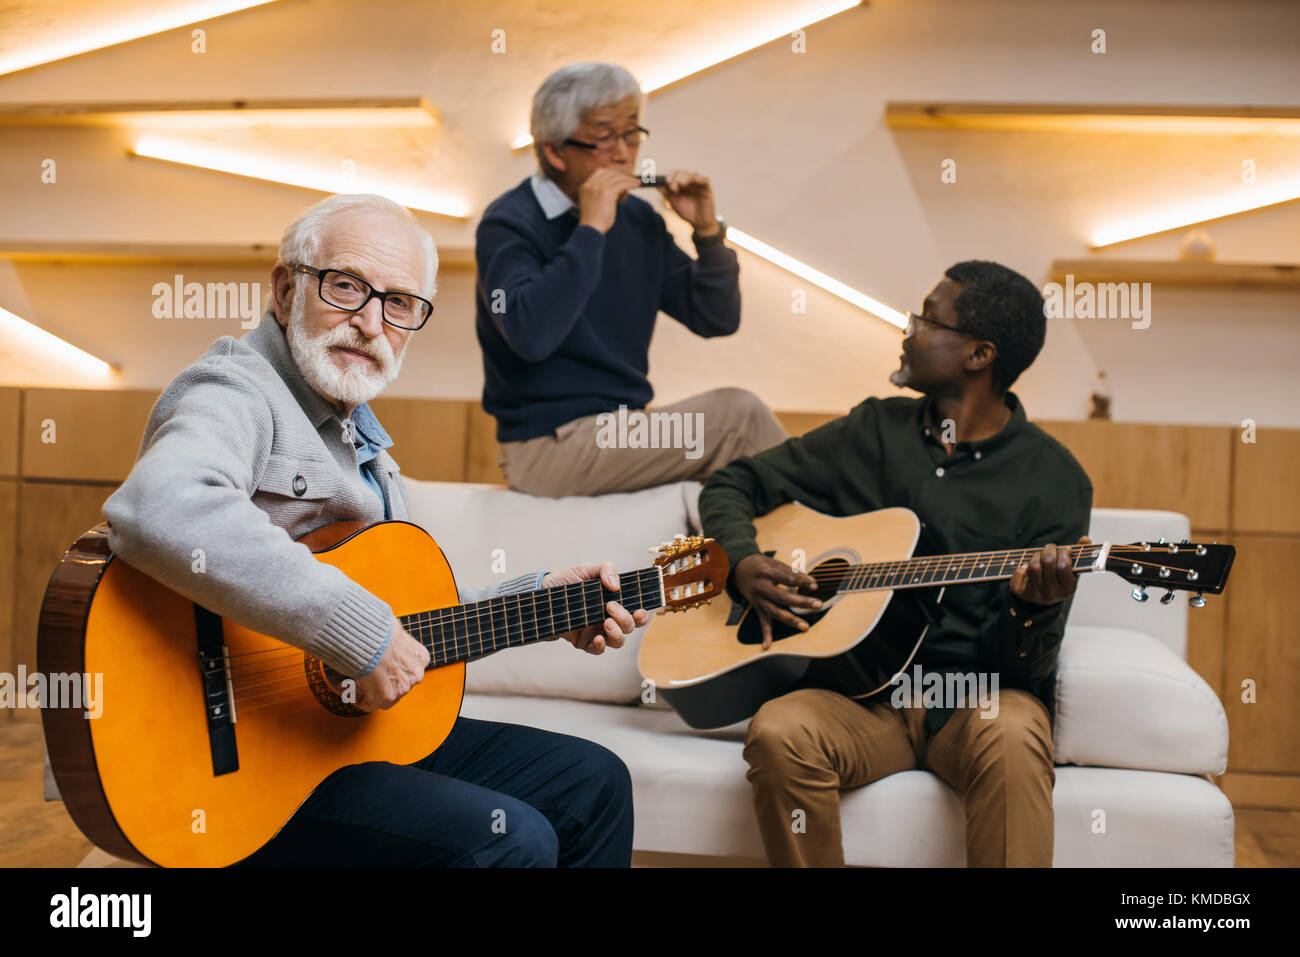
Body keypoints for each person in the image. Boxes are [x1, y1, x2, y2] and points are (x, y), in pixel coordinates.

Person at [102, 193, 647, 867]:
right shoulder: (235, 389)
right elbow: (161, 502)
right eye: (348, 286)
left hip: (338, 738)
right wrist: (356, 628)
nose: (369, 322)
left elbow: (404, 625)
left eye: (398, 304)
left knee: (596, 782)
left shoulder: (363, 442)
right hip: (246, 762)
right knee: (514, 837)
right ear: (285, 287)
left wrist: (540, 601)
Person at [698, 261, 1094, 867]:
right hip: (857, 700)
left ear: (978, 354)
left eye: (925, 319)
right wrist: (743, 561)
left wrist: (1032, 610)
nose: (906, 331)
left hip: (975, 703)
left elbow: (1029, 668)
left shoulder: (1055, 481)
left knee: (1016, 734)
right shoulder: (872, 429)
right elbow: (734, 481)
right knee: (780, 731)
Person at [475, 61, 786, 497]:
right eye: (604, 138)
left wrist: (708, 234)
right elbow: (531, 334)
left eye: (631, 133)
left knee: (738, 478)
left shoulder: (637, 218)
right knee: (740, 416)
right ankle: (835, 545)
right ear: (555, 152)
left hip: (623, 430)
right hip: (544, 445)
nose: (624, 153)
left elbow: (716, 319)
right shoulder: (509, 221)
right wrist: (590, 229)